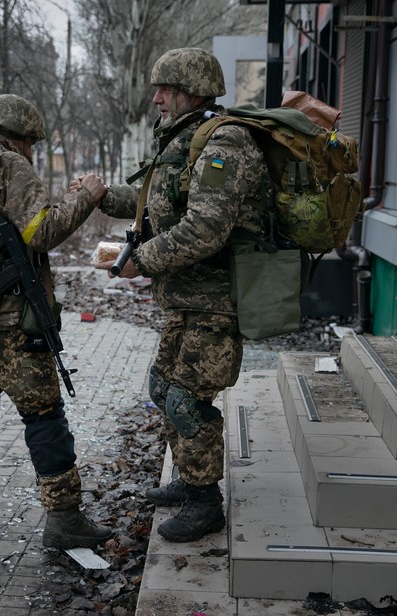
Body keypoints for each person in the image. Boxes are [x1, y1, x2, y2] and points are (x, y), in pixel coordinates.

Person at [97, 48, 270, 542]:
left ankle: (205, 502)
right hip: (186, 298)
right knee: (162, 389)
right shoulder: (184, 138)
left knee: (186, 400)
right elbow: (156, 200)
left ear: (193, 91)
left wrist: (141, 261)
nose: (156, 99)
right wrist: (100, 196)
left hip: (218, 300)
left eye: (166, 90)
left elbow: (206, 228)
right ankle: (190, 478)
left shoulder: (224, 143)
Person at [0, 94, 113, 549]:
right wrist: (85, 197)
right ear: (18, 136)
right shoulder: (9, 165)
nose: (32, 150)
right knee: (43, 413)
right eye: (31, 142)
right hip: (12, 320)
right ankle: (64, 518)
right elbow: (42, 232)